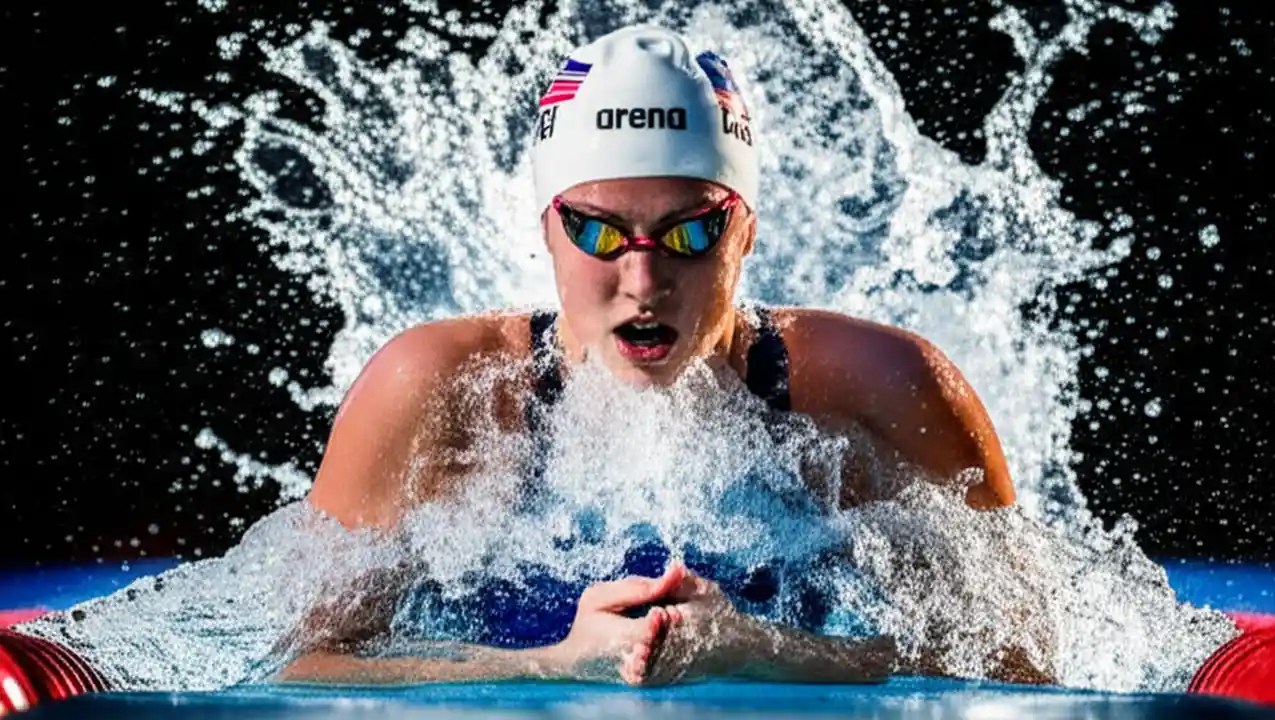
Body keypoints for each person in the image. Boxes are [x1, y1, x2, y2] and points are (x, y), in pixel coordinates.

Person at [277, 24, 1027, 687]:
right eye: (598, 232)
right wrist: (550, 663)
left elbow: (1023, 660)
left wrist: (767, 650)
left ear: (747, 231)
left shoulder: (877, 390)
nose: (644, 282)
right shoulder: (441, 393)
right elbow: (304, 667)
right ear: (545, 228)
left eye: (691, 232)